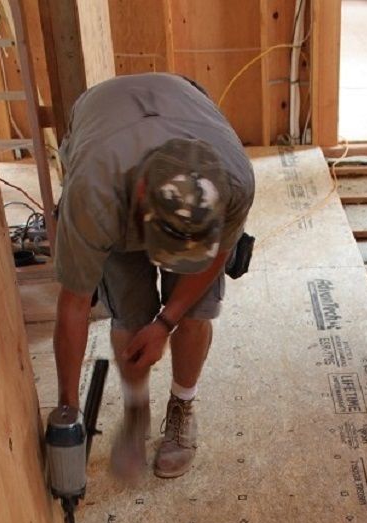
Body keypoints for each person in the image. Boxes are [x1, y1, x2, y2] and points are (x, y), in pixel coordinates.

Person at [52, 72, 255, 480]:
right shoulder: (93, 197)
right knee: (130, 311)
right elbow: (73, 305)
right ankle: (135, 411)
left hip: (179, 100)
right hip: (104, 119)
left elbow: (219, 254)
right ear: (142, 194)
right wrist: (67, 417)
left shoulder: (232, 180)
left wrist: (167, 321)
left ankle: (182, 405)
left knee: (196, 308)